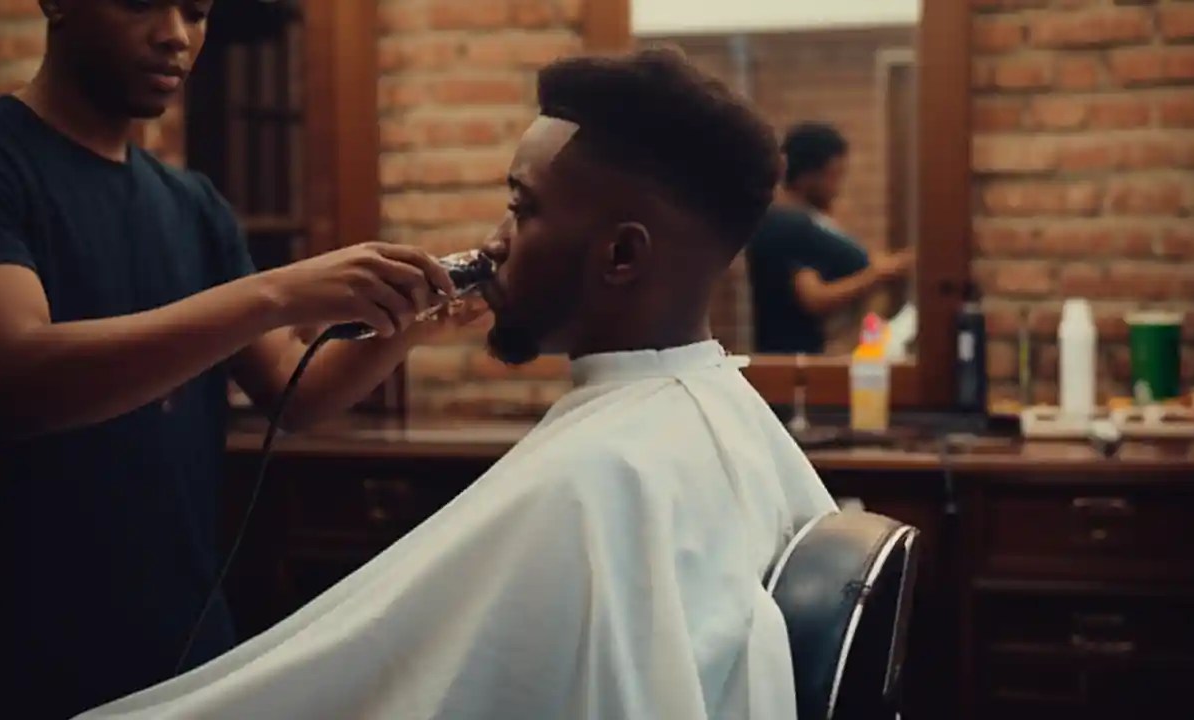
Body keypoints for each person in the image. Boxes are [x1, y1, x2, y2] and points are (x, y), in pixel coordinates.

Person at [74, 48, 838, 720]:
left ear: (622, 257)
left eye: (520, 208)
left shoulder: (601, 478)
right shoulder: (717, 423)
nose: (494, 242)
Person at [0, 3, 481, 718]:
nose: (176, 36)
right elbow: (12, 374)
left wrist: (411, 321)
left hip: (185, 646)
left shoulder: (193, 206)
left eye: (198, 11)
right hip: (22, 654)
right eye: (142, 3)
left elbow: (293, 393)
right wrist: (276, 292)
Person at [746, 122, 914, 355]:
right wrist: (880, 274)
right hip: (804, 360)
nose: (838, 187)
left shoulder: (813, 220)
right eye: (833, 176)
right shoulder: (786, 225)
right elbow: (814, 297)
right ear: (807, 176)